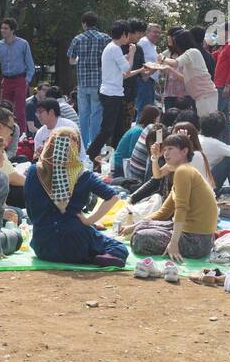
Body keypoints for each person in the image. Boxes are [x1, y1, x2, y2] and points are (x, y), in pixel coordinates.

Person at [26, 128, 129, 267]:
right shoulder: (83, 175)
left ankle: (91, 256)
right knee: (118, 248)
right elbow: (113, 197)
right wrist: (88, 221)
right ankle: (97, 257)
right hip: (75, 241)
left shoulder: (34, 171)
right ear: (76, 148)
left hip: (42, 245)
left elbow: (31, 212)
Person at [121, 133, 219, 262]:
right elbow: (163, 212)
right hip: (197, 236)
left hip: (196, 241)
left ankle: (172, 246)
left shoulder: (183, 171)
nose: (166, 153)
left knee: (140, 238)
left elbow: (181, 209)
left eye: (171, 149)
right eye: (165, 149)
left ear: (184, 151)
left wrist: (173, 244)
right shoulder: (182, 170)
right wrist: (133, 226)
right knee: (140, 227)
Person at [88, 21, 144, 165]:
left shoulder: (112, 48)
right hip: (111, 94)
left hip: (113, 93)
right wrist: (132, 53)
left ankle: (110, 158)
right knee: (107, 130)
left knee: (118, 128)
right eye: (128, 34)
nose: (129, 37)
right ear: (124, 34)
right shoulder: (114, 48)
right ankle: (90, 155)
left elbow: (122, 70)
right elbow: (127, 69)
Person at [67, 12, 110, 150]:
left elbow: (71, 60)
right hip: (98, 82)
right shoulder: (104, 38)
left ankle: (83, 146)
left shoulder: (78, 38)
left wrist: (80, 59)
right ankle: (95, 146)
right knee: (96, 114)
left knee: (83, 115)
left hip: (83, 82)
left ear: (84, 24)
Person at [0, 18, 34, 134]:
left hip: (20, 79)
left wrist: (26, 80)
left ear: (12, 30)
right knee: (3, 110)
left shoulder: (23, 44)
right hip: (6, 80)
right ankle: (4, 134)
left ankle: (22, 136)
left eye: (6, 28)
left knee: (19, 111)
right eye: (2, 28)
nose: (2, 30)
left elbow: (30, 65)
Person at [160, 30, 218, 116]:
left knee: (208, 122)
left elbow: (175, 63)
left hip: (205, 95)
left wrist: (162, 58)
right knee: (204, 121)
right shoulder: (191, 53)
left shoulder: (192, 52)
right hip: (201, 95)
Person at [198, 111, 230, 195]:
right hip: (206, 187)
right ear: (221, 131)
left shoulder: (197, 138)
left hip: (197, 183)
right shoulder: (216, 144)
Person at [112, 105, 158, 182]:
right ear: (153, 119)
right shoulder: (139, 131)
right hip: (120, 166)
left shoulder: (139, 128)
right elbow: (132, 153)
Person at [212, 24, 230, 144]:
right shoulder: (224, 47)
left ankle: (221, 143)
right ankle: (226, 144)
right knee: (224, 118)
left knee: (217, 117)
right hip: (219, 84)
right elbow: (214, 57)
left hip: (223, 86)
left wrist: (227, 85)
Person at [135, 23, 161, 115]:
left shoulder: (152, 46)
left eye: (159, 33)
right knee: (144, 110)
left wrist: (156, 80)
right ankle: (140, 129)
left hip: (150, 80)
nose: (157, 35)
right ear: (147, 32)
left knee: (148, 110)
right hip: (144, 80)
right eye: (154, 32)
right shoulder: (144, 42)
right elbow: (138, 60)